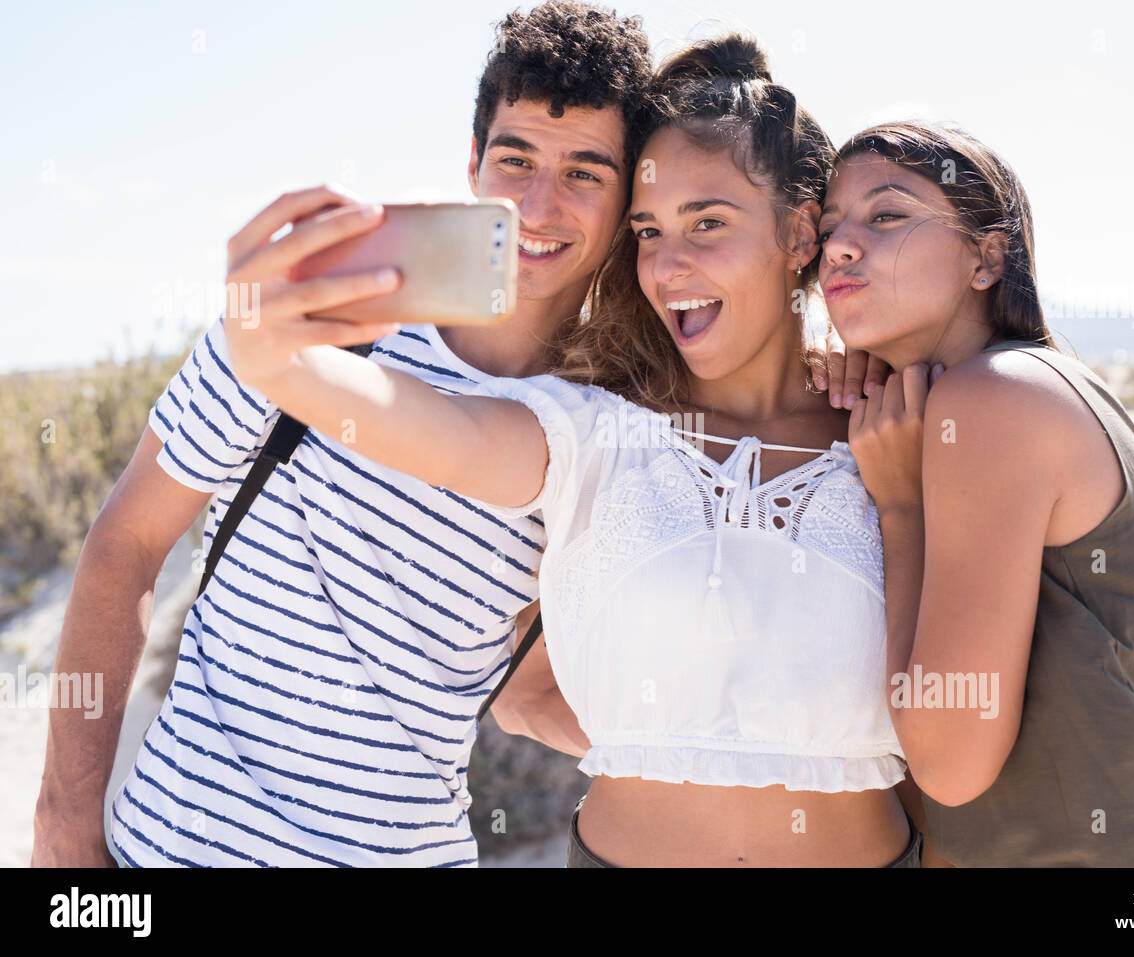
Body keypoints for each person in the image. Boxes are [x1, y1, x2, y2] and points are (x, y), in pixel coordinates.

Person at [221, 34, 930, 868]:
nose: (669, 265)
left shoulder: (897, 426)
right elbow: (439, 433)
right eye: (648, 230)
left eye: (708, 223)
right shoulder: (594, 429)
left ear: (802, 232)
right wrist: (277, 355)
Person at [32, 0, 653, 867]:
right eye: (516, 159)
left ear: (627, 202)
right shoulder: (305, 316)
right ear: (473, 162)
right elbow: (126, 544)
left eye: (586, 172)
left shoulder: (613, 423)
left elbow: (533, 694)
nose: (541, 205)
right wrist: (61, 831)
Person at [819, 120, 1134, 866]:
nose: (840, 246)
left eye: (887, 215)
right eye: (828, 226)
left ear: (987, 256)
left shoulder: (995, 399)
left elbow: (950, 761)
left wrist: (901, 507)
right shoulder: (1018, 385)